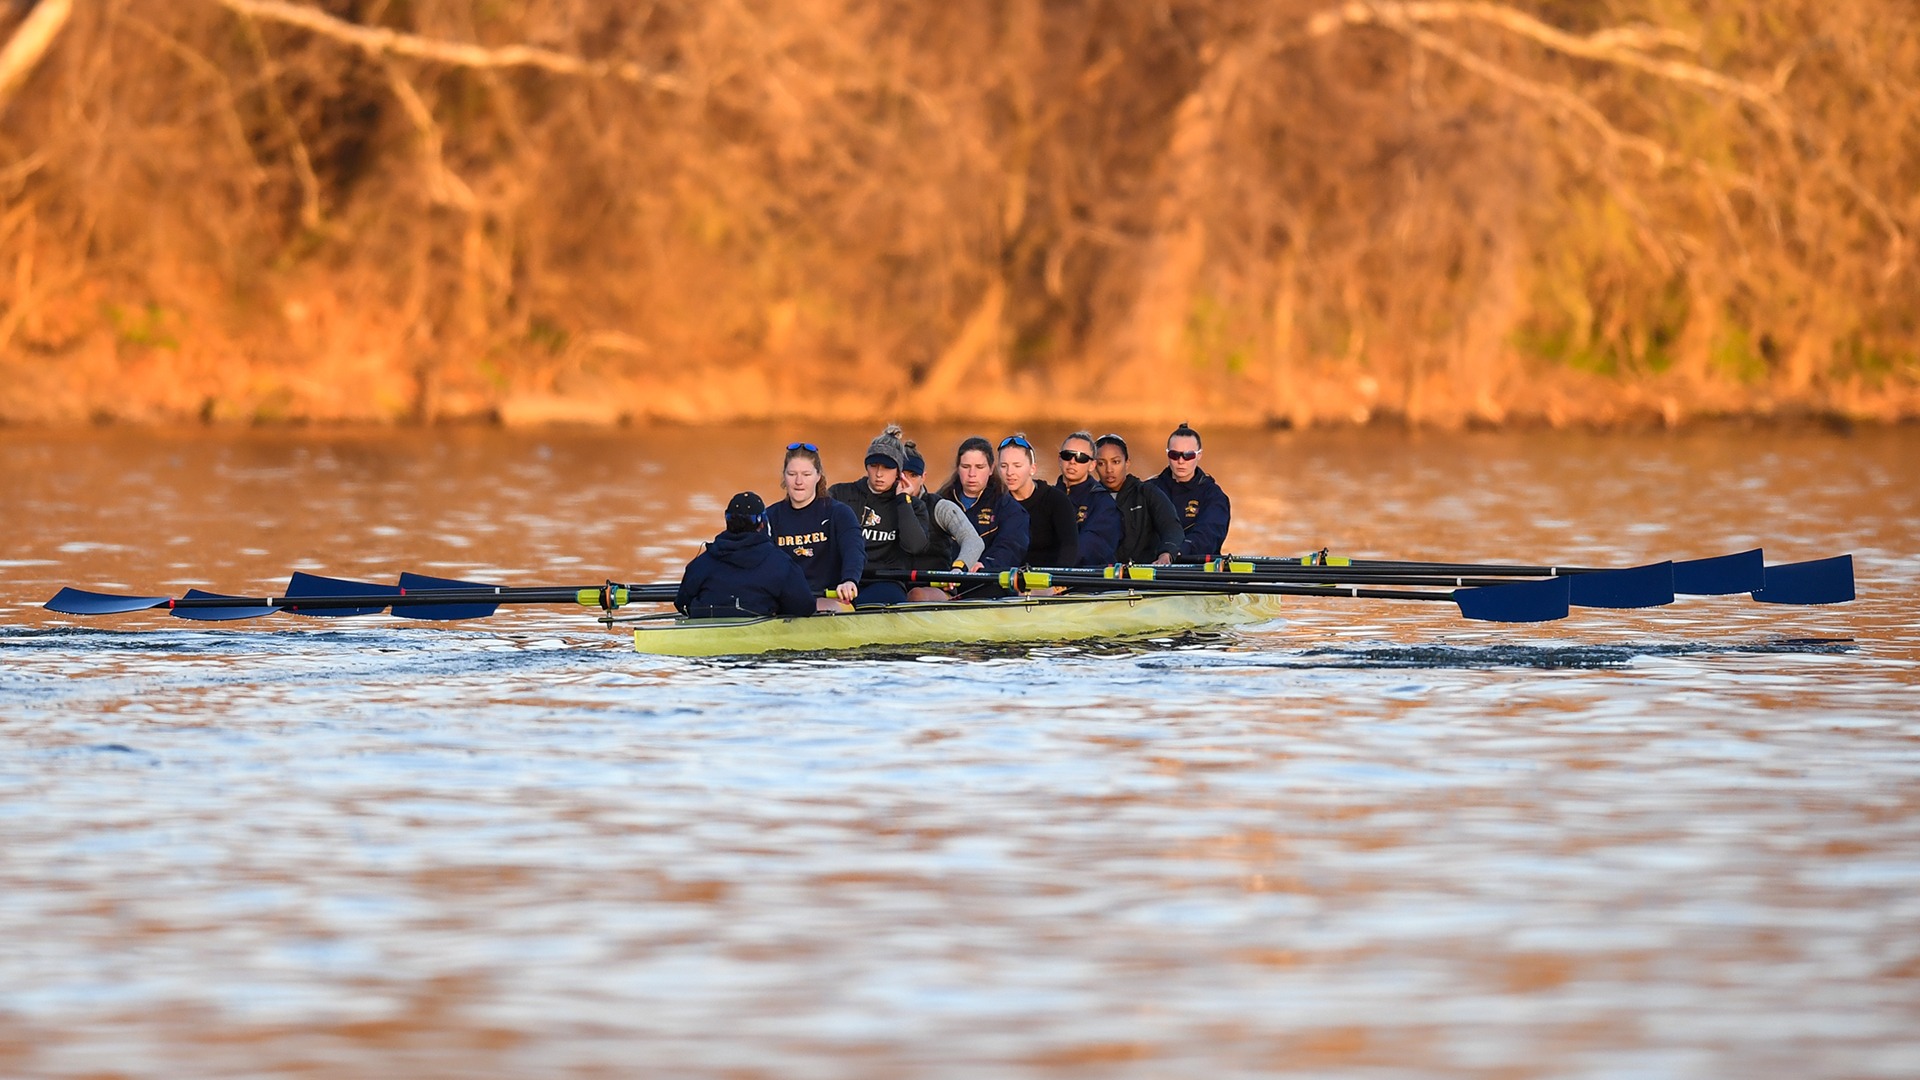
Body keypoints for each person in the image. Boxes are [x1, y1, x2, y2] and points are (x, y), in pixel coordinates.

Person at [826, 424, 928, 608]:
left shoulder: (914, 506)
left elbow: (915, 547)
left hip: (886, 582)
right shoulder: (839, 494)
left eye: (887, 468)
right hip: (843, 580)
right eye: (874, 466)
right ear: (866, 466)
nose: (879, 474)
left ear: (898, 472)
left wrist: (903, 501)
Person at [675, 491, 816, 619]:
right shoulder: (780, 563)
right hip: (757, 634)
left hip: (704, 634)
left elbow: (681, 603)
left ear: (727, 521)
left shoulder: (702, 562)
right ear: (762, 524)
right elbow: (805, 607)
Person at [762, 441, 863, 612]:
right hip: (783, 601)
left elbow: (854, 551)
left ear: (818, 476)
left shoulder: (839, 513)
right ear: (784, 476)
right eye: (792, 474)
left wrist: (849, 580)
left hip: (829, 599)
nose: (799, 481)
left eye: (806, 474)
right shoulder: (770, 517)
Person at [900, 438, 984, 602]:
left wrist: (958, 569)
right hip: (893, 585)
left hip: (935, 588)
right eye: (901, 476)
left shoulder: (941, 507)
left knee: (916, 595)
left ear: (924, 477)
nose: (905, 482)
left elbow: (973, 540)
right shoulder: (879, 508)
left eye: (913, 475)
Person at [937, 436, 1029, 573]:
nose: (972, 474)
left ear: (991, 469)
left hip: (986, 580)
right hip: (943, 578)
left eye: (979, 467)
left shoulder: (1008, 507)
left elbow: (1011, 545)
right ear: (958, 468)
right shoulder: (940, 502)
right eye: (965, 467)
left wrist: (986, 565)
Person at [1145, 421, 1232, 559]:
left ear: (1199, 455)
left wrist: (1175, 552)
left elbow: (1208, 535)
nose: (1181, 461)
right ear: (1167, 454)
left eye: (1188, 455)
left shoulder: (1214, 495)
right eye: (1174, 455)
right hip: (1154, 563)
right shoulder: (1149, 490)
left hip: (1196, 565)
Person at [1093, 433, 1183, 565]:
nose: (1109, 469)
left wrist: (1166, 553)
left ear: (1127, 463)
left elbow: (1172, 527)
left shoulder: (1147, 493)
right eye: (1101, 463)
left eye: (1116, 462)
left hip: (1142, 575)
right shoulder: (1089, 498)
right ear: (1094, 466)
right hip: (1099, 575)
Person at [996, 433, 1079, 568]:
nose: (1009, 472)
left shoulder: (1056, 500)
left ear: (1032, 469)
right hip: (1006, 580)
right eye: (1004, 466)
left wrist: (1057, 584)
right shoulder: (996, 502)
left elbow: (1069, 546)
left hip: (1047, 579)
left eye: (1017, 466)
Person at [1052, 430, 1121, 566]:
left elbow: (1091, 544)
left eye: (1081, 458)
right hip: (1042, 572)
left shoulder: (1103, 502)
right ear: (1059, 460)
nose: (1072, 462)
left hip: (1085, 578)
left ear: (1092, 465)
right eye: (1067, 456)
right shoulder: (1047, 496)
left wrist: (1059, 566)